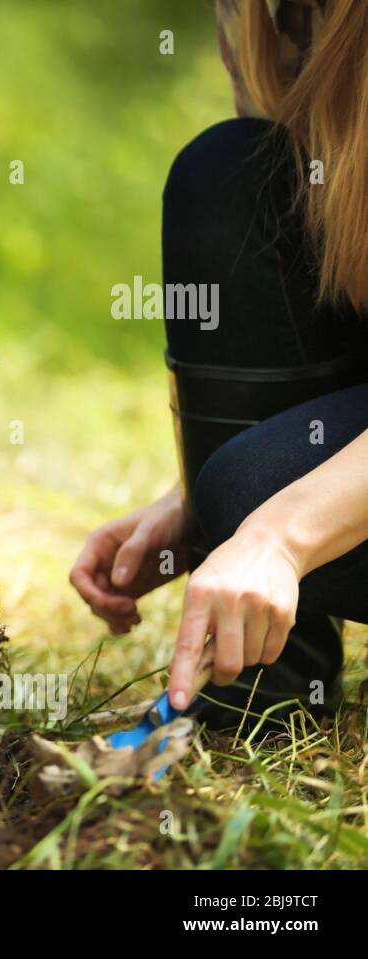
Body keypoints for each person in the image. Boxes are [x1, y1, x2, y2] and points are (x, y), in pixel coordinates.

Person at [70, 0, 368, 733]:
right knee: (227, 173)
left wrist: (278, 533)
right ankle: (265, 677)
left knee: (254, 490)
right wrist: (193, 495)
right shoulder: (265, 15)